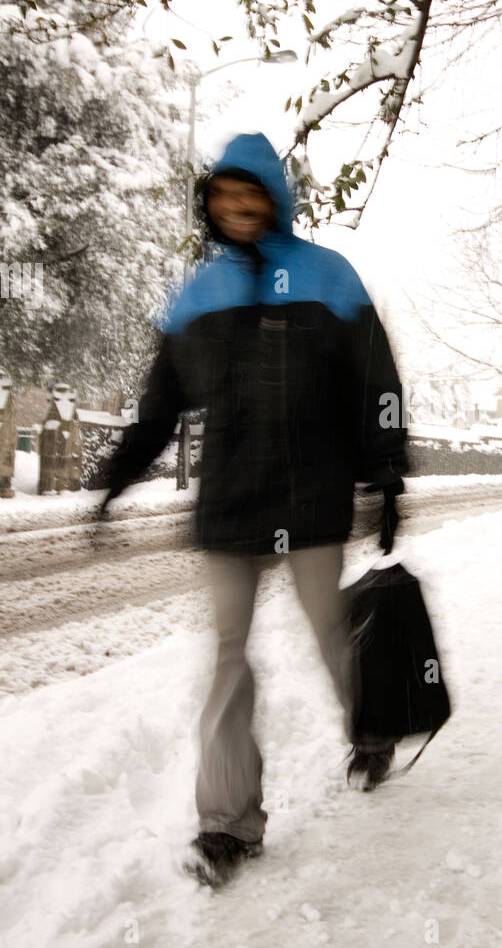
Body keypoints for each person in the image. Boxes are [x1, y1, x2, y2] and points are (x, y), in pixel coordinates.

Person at [99, 132, 409, 886]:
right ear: (209, 205)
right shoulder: (198, 291)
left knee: (333, 631)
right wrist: (118, 477)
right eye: (223, 197)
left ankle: (370, 729)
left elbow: (378, 383)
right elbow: (158, 404)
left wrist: (387, 476)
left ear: (276, 199)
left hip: (313, 495)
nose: (236, 208)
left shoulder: (329, 275)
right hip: (233, 501)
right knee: (228, 661)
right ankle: (228, 824)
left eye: (250, 195)